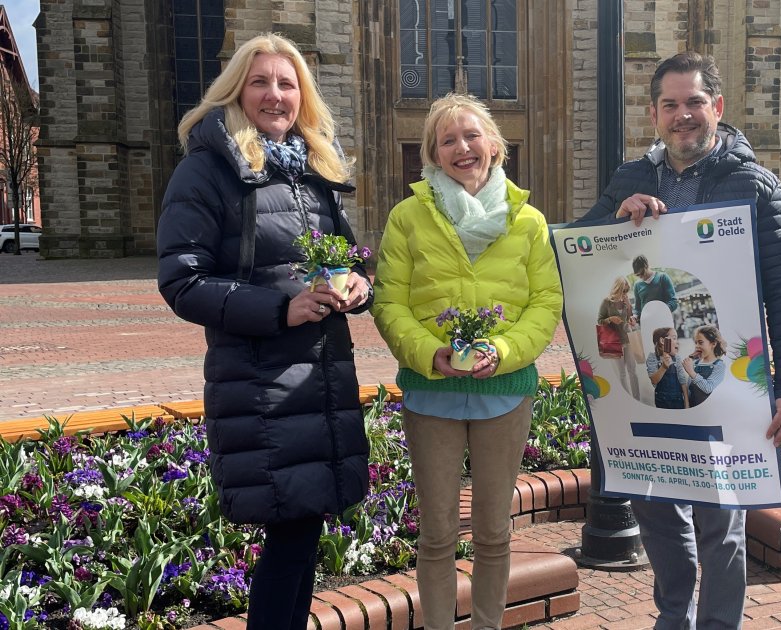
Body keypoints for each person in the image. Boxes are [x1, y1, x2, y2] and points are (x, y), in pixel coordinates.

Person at [579, 51, 781, 630]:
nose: (683, 116)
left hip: (723, 380)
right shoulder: (631, 178)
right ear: (654, 113)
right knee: (655, 508)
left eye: (694, 103)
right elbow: (579, 257)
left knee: (721, 519)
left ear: (718, 108)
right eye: (670, 105)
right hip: (651, 384)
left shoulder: (753, 184)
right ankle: (673, 616)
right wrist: (611, 221)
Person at [156, 34, 372, 629]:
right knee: (290, 536)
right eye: (260, 82)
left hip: (321, 376)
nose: (275, 95)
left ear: (302, 95)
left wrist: (357, 285)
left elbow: (347, 258)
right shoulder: (207, 169)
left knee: (301, 535)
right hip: (261, 379)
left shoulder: (314, 166)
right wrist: (280, 310)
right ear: (236, 91)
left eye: (286, 83)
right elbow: (181, 281)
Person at [371, 92, 563, 630]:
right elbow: (390, 301)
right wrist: (431, 353)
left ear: (495, 145)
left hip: (506, 394)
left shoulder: (529, 222)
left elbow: (546, 303)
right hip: (431, 394)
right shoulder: (408, 216)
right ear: (432, 154)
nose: (462, 147)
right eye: (447, 139)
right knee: (436, 535)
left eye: (471, 135)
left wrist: (502, 351)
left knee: (494, 534)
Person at [598, 276, 641, 399]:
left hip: (628, 339)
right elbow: (600, 321)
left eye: (627, 291)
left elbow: (630, 317)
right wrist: (610, 319)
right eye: (623, 290)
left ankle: (637, 397)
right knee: (622, 373)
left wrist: (629, 307)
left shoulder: (625, 301)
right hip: (614, 341)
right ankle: (627, 398)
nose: (625, 293)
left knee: (633, 371)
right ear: (617, 288)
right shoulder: (606, 302)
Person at [682, 325, 726, 407]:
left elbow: (708, 388)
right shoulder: (696, 363)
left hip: (706, 409)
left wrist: (691, 372)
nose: (696, 346)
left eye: (700, 342)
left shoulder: (719, 366)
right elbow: (689, 388)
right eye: (696, 342)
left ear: (713, 344)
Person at [648, 326, 689, 409]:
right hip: (661, 401)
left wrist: (687, 403)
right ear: (663, 341)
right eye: (674, 338)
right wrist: (663, 367)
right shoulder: (652, 358)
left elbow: (682, 381)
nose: (677, 342)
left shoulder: (676, 358)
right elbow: (654, 381)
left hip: (678, 401)